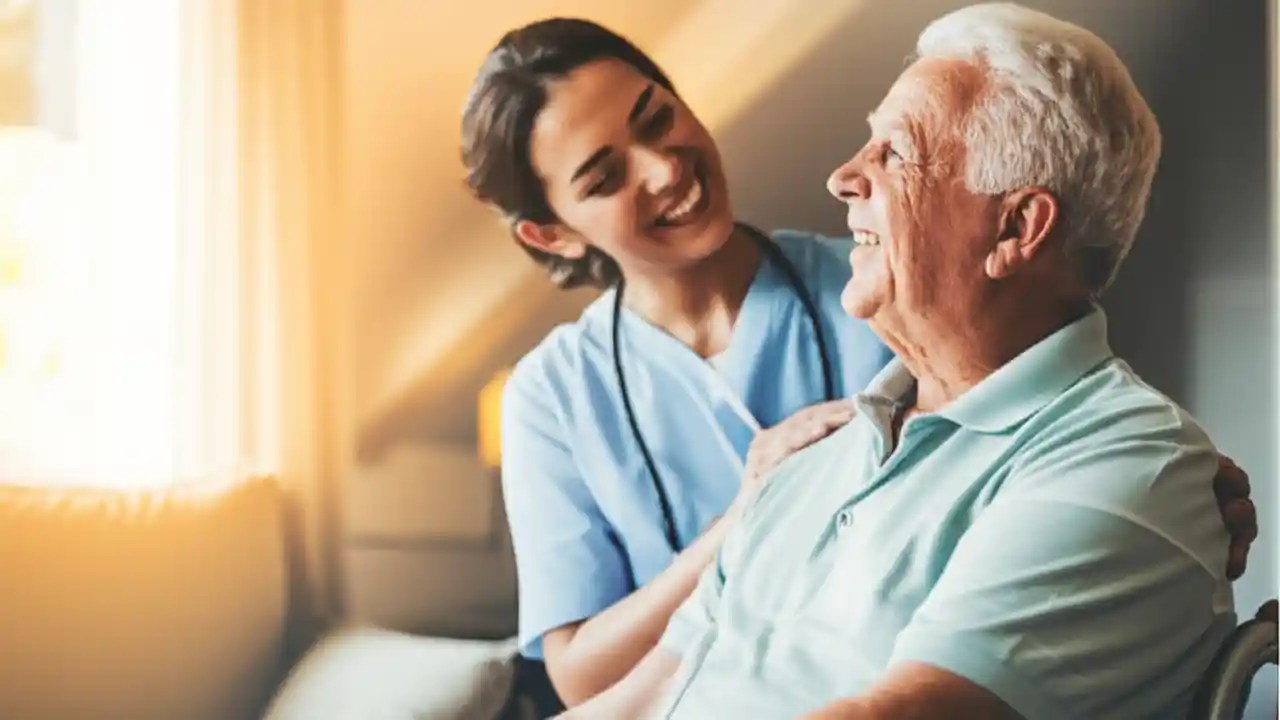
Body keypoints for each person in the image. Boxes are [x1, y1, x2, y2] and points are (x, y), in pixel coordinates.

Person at [458, 14, 1260, 710]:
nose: (665, 168)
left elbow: (1066, 419)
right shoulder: (557, 393)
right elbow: (600, 688)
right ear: (552, 233)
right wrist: (738, 524)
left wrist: (1169, 494)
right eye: (604, 176)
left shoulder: (900, 289)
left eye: (657, 117)